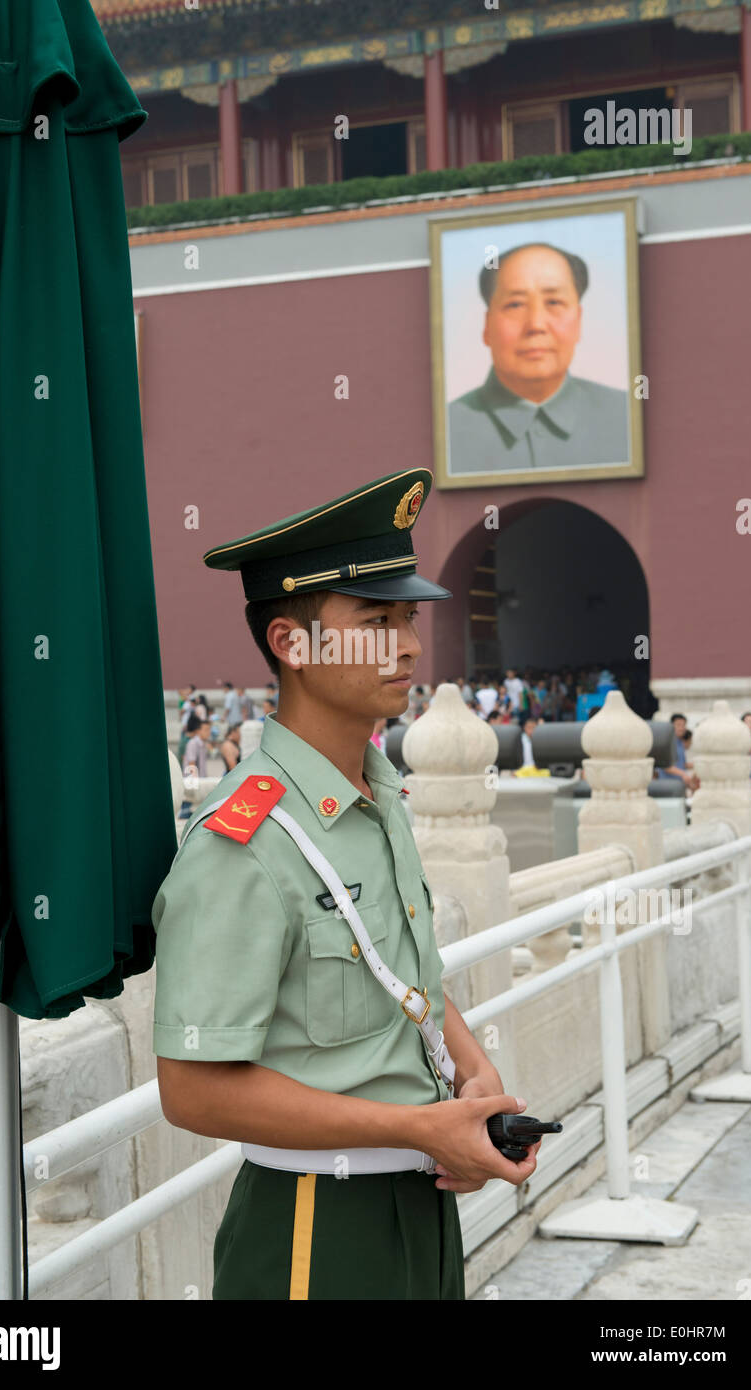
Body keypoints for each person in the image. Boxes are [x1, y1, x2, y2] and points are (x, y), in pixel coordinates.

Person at [151, 467, 541, 1302]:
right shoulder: (246, 841)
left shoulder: (376, 791)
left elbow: (404, 980)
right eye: (374, 621)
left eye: (407, 618)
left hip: (421, 1201)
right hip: (314, 1224)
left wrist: (472, 1087)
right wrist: (418, 1128)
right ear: (292, 643)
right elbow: (190, 1086)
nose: (406, 644)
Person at [447, 243, 629, 475]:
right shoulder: (446, 431)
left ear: (579, 320)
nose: (536, 325)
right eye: (515, 305)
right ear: (486, 326)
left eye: (554, 302)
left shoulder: (627, 418)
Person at [657, 712, 699, 791]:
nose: (682, 728)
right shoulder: (666, 742)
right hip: (667, 786)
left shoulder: (680, 743)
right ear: (671, 726)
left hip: (679, 786)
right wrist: (683, 774)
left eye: (683, 725)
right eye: (678, 725)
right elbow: (665, 766)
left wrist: (698, 765)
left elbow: (681, 764)